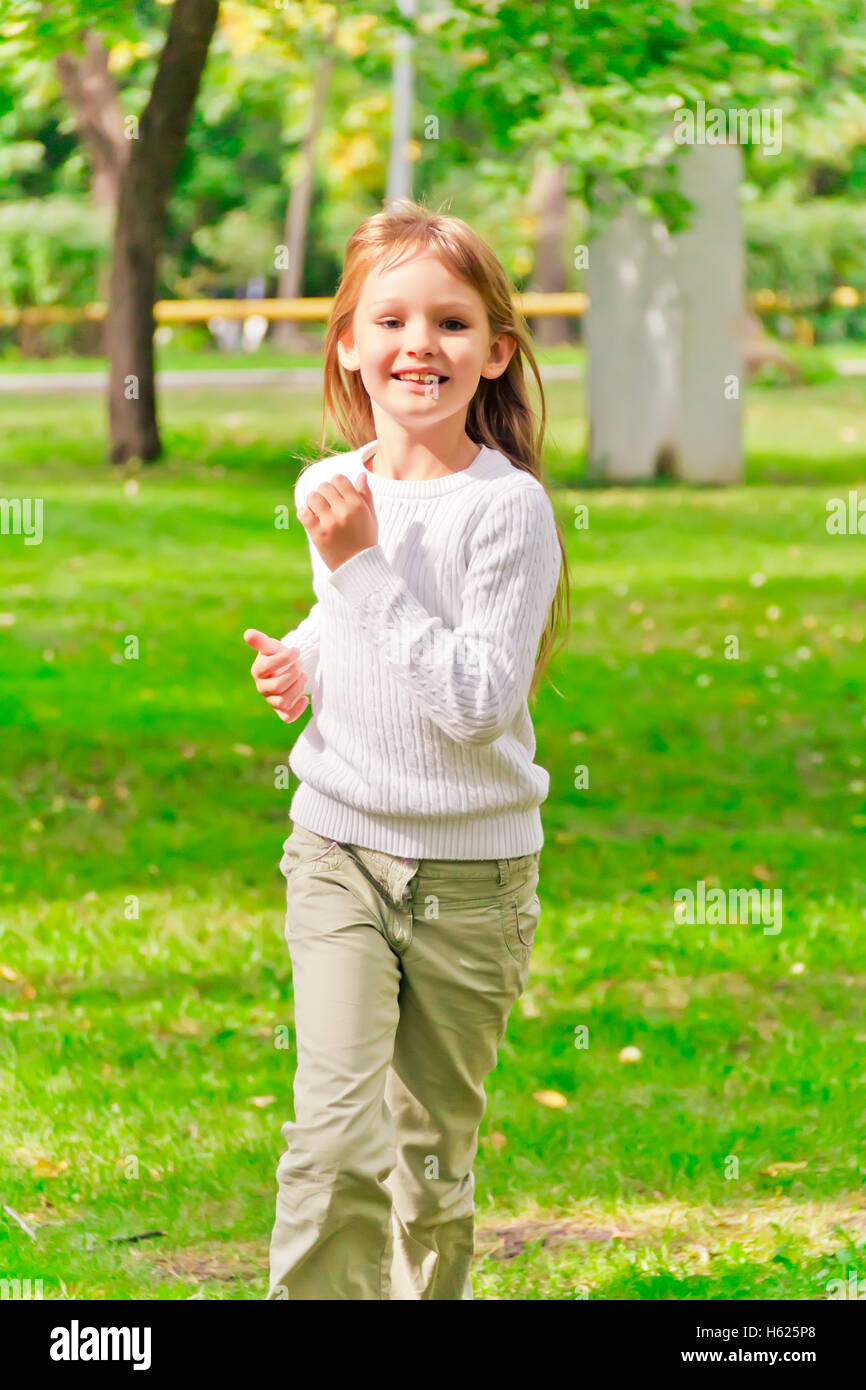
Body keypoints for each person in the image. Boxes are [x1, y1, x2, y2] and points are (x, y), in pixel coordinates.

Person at [243, 199, 570, 1300]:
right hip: (338, 849)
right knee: (333, 1138)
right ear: (346, 344)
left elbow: (476, 699)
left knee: (430, 1169)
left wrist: (364, 570)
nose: (417, 344)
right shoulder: (329, 491)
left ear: (494, 352)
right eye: (388, 320)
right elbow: (347, 619)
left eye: (449, 322)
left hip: (470, 880)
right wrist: (302, 659)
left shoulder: (506, 511)